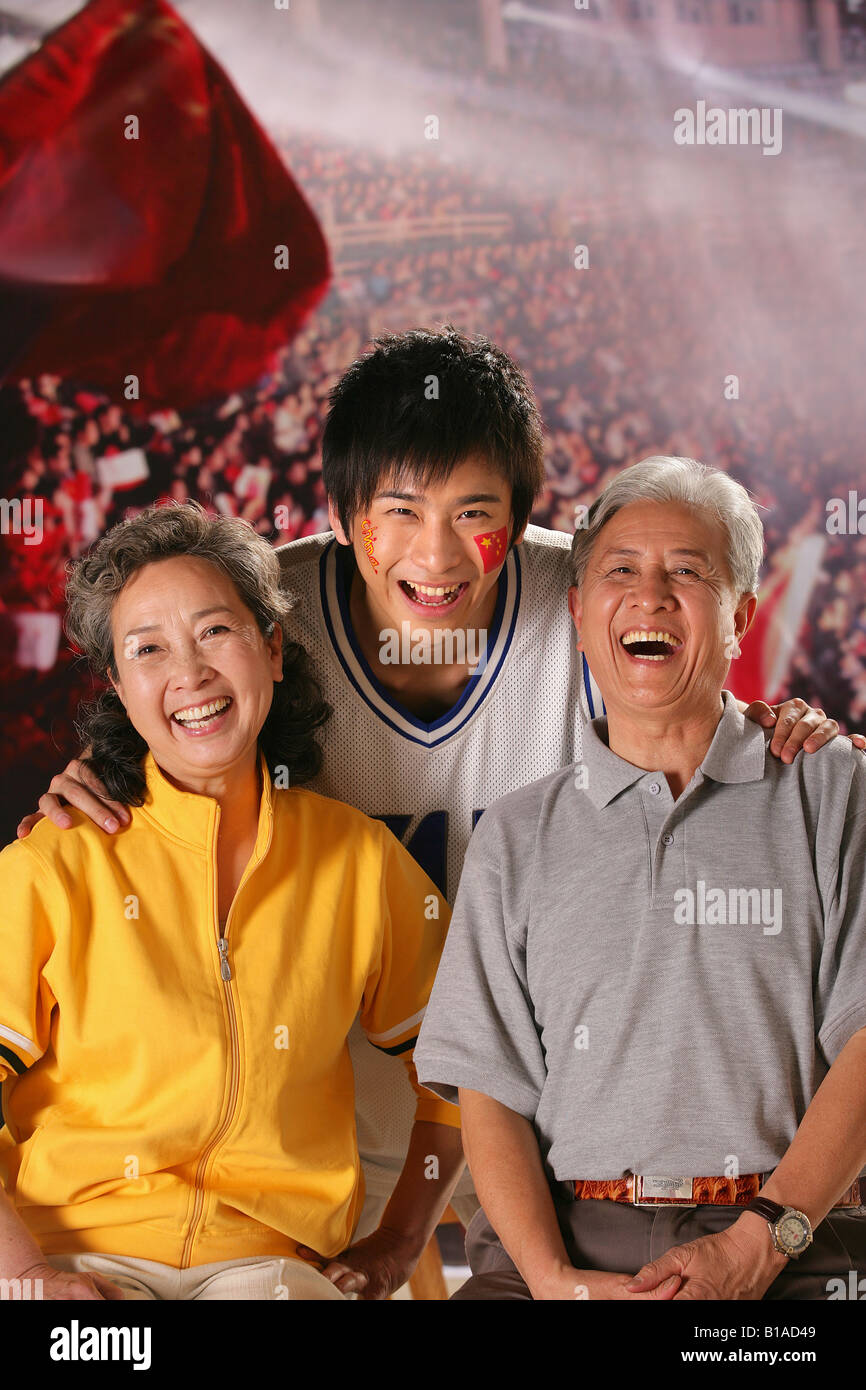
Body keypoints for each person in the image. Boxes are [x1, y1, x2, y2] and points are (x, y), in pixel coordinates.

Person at [15, 328, 858, 1264]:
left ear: (525, 522)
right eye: (399, 513)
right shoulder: (262, 612)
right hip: (324, 1158)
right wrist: (114, 774)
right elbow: (171, 685)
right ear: (341, 518)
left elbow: (685, 669)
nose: (437, 552)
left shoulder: (587, 594)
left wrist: (787, 731)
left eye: (474, 514)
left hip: (565, 1157)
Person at [414, 455, 866, 1300]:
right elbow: (489, 1090)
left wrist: (762, 1243)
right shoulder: (515, 834)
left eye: (687, 573)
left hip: (792, 1243)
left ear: (740, 617)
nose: (651, 596)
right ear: (581, 613)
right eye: (621, 571)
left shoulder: (835, 791)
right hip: (561, 1247)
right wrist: (555, 1282)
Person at [0, 504, 462, 1301]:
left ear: (273, 649)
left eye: (216, 631)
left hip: (271, 1271)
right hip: (73, 1261)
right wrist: (30, 1275)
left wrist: (397, 1242)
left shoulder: (358, 861)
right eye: (147, 649)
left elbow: (466, 1069)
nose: (189, 674)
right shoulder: (50, 864)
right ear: (118, 683)